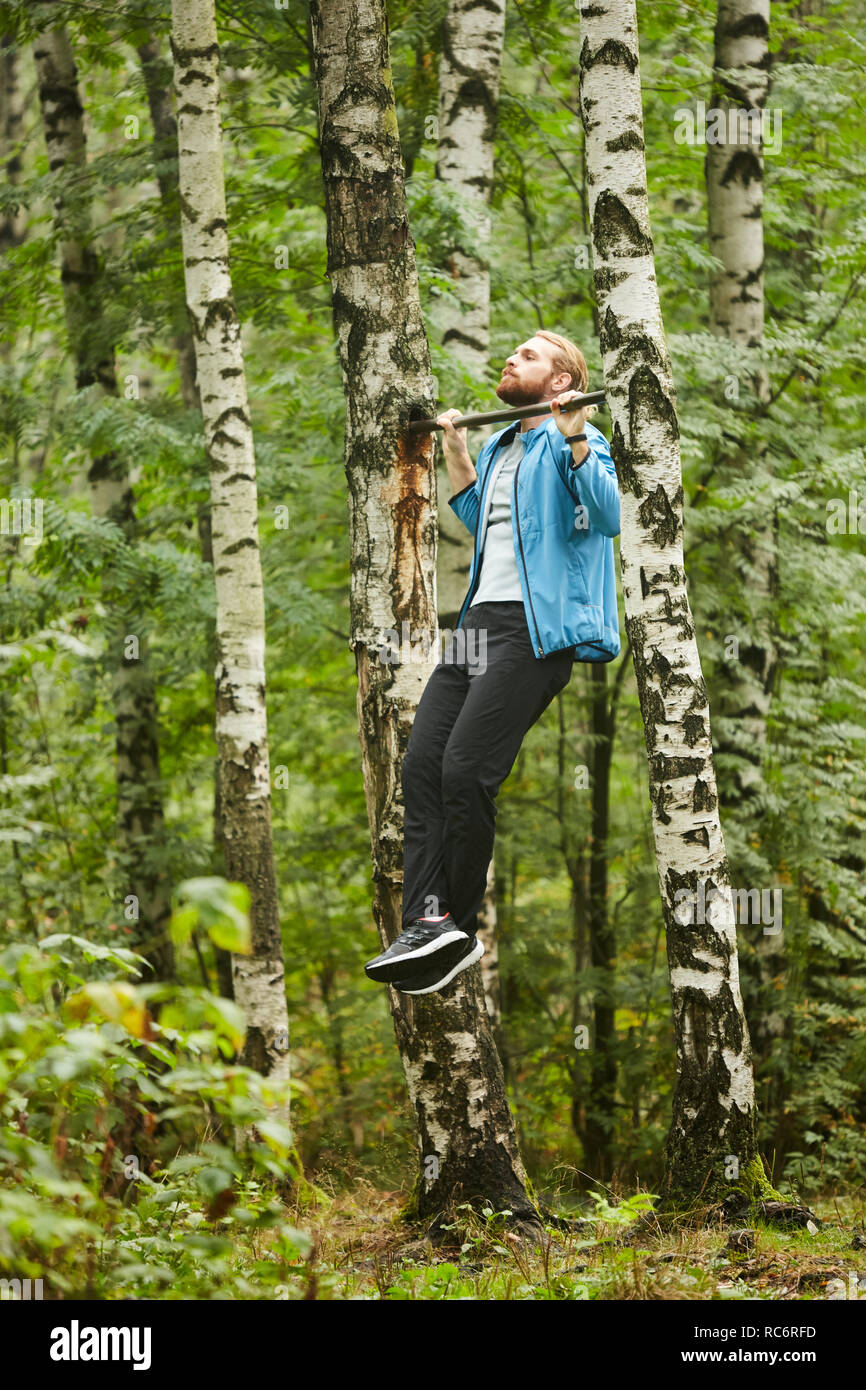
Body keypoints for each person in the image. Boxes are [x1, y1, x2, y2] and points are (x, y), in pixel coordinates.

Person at [365, 331, 621, 995]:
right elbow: (487, 523)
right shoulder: (501, 443)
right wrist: (456, 452)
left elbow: (607, 514)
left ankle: (460, 927)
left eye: (530, 355)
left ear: (564, 383)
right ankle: (424, 922)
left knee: (464, 770)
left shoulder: (577, 442)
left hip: (535, 634)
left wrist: (574, 436)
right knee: (422, 767)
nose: (513, 358)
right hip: (479, 625)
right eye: (513, 351)